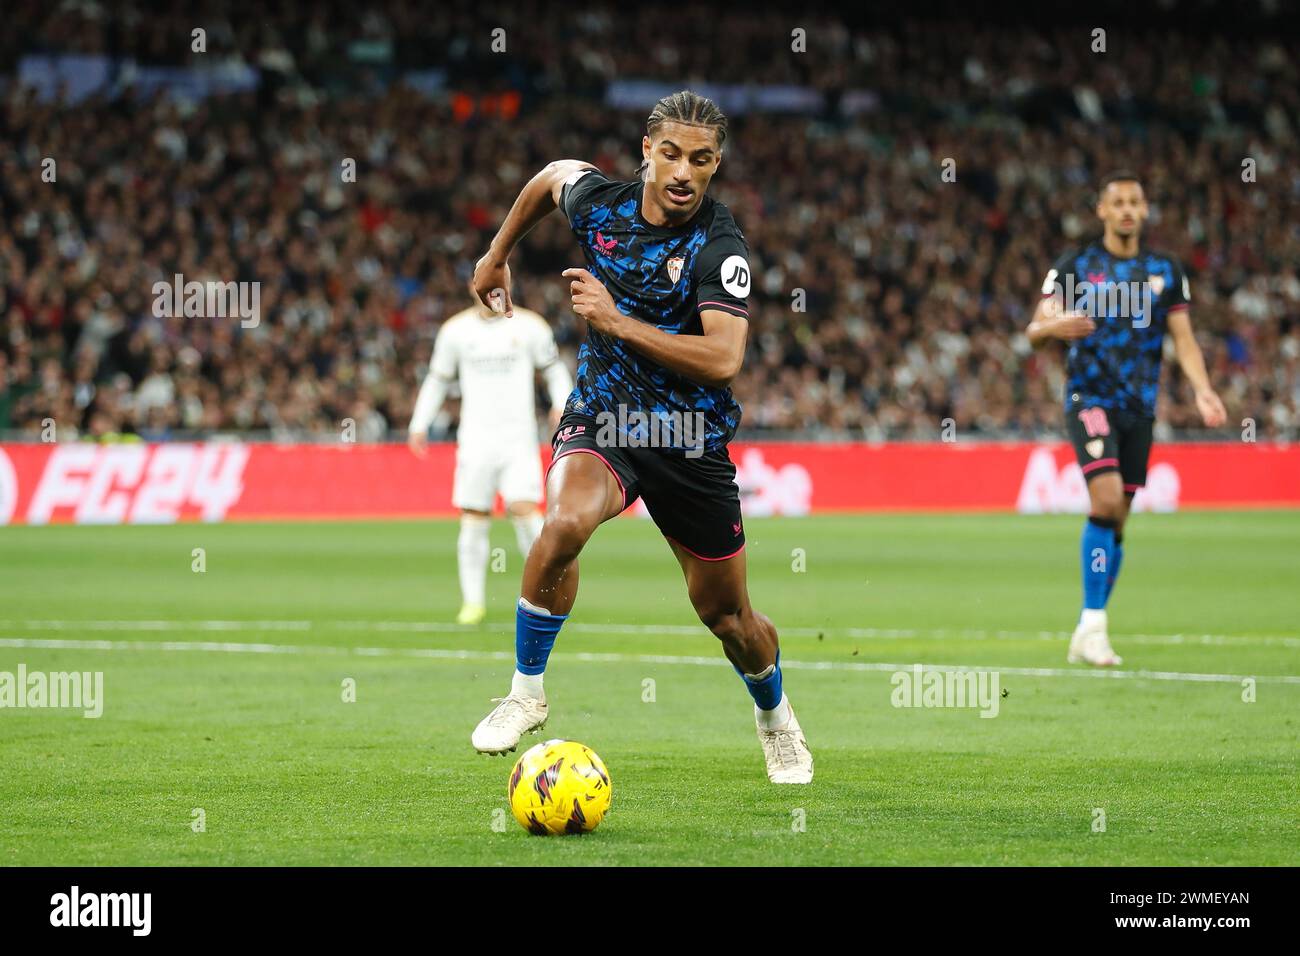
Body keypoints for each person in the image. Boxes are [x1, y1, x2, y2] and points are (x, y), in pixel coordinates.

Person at [467, 90, 812, 783]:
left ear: (716, 168)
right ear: (646, 151)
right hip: (607, 418)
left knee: (729, 619)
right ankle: (525, 693)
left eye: (702, 160)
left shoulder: (720, 246)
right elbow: (552, 175)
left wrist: (617, 320)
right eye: (672, 153)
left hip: (689, 437)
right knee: (562, 524)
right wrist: (497, 252)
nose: (684, 171)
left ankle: (775, 717)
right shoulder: (601, 205)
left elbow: (723, 358)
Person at [1026, 171, 1227, 666]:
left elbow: (1182, 339)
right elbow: (1034, 329)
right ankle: (1095, 625)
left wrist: (1203, 391)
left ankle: (1087, 626)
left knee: (1119, 519)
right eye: (1117, 202)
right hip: (1089, 399)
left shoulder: (1165, 269)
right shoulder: (1076, 265)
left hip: (1139, 408)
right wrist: (1054, 325)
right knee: (1107, 498)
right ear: (1101, 210)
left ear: (1144, 209)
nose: (1126, 210)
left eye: (1134, 201)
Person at [408, 283, 571, 625]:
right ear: (474, 288)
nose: (495, 294)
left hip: (518, 439)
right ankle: (473, 603)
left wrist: (562, 404)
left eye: (502, 288)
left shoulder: (530, 327)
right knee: (473, 515)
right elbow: (438, 380)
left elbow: (554, 370)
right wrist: (419, 423)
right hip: (476, 439)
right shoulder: (455, 331)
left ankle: (545, 592)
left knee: (524, 510)